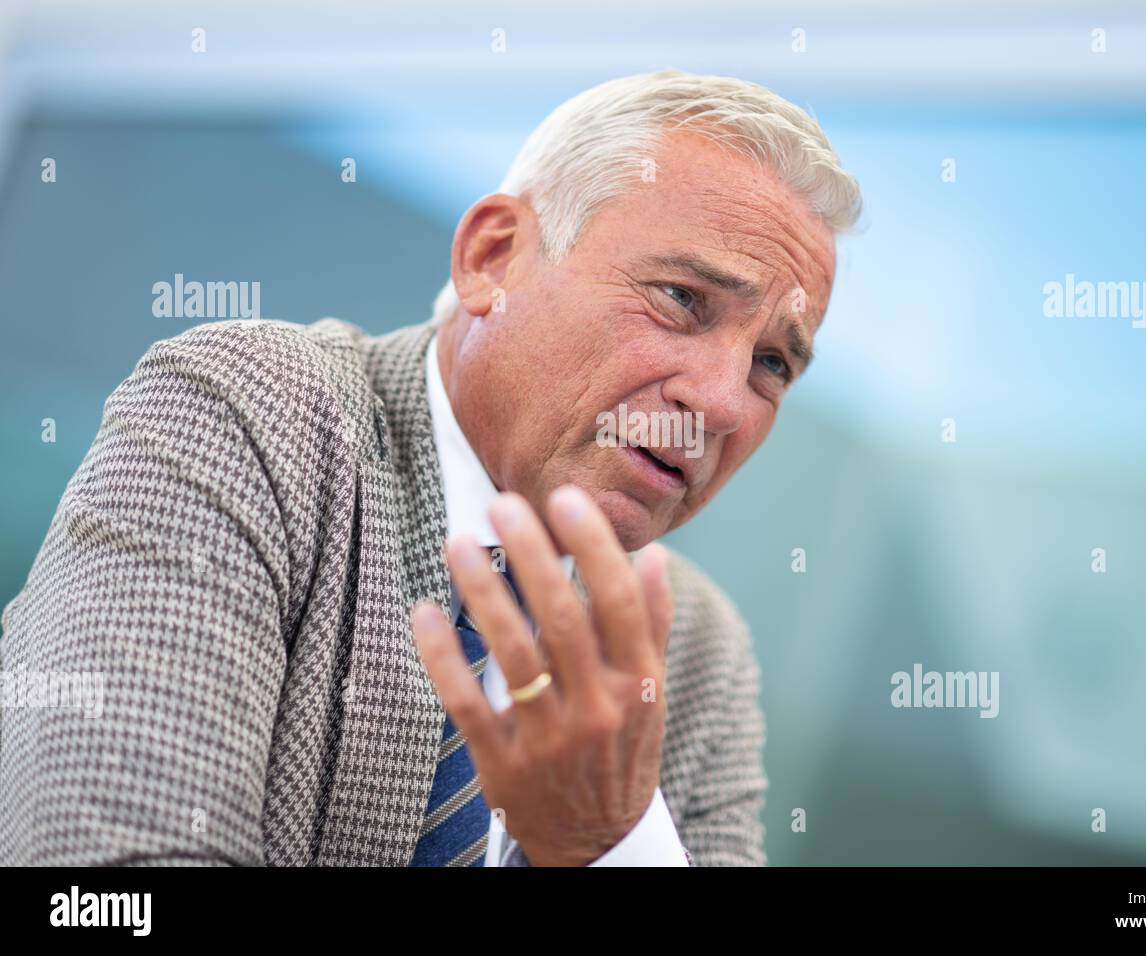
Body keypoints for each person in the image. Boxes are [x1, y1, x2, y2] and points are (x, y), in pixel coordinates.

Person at [0, 69, 861, 866]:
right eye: (682, 299)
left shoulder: (695, 654)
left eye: (773, 365)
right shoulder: (248, 417)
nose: (719, 402)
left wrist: (614, 844)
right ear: (493, 257)